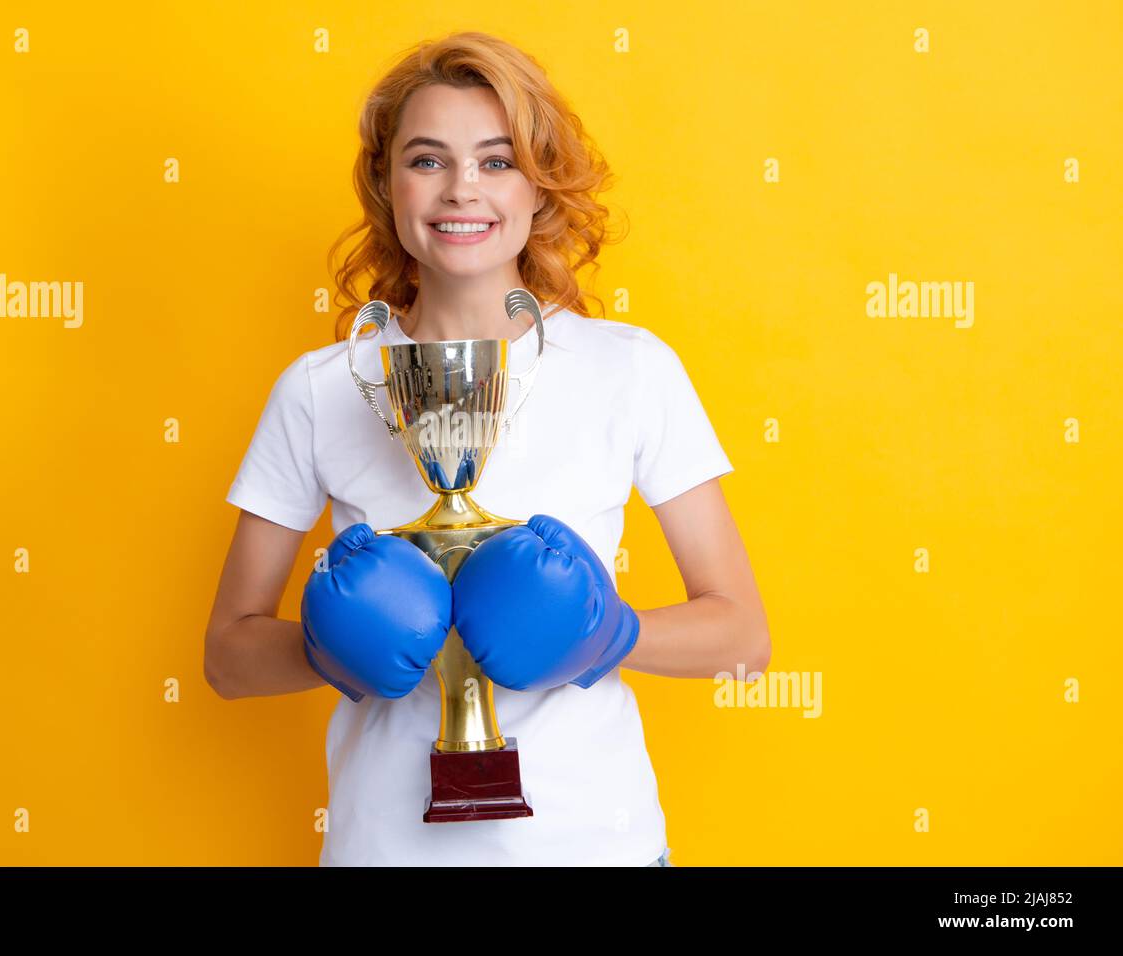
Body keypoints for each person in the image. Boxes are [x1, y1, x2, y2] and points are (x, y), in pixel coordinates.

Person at [204, 31, 770, 866]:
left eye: (496, 161)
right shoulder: (322, 388)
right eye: (427, 160)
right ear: (385, 184)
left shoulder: (629, 369)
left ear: (539, 186)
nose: (462, 188)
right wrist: (330, 649)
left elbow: (743, 638)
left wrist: (609, 633)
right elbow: (226, 657)